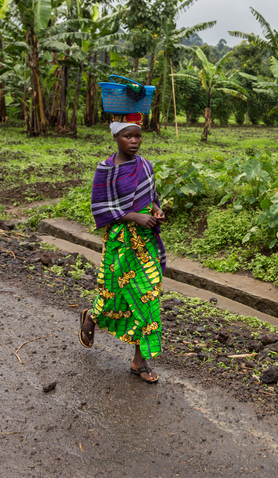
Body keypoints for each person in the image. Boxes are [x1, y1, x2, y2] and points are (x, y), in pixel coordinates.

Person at [79, 119, 166, 384]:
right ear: (116, 137)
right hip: (120, 241)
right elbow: (101, 207)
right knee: (115, 292)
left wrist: (155, 211)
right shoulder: (105, 170)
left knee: (149, 294)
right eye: (128, 136)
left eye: (138, 136)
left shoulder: (145, 165)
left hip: (145, 242)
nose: (134, 141)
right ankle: (91, 317)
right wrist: (132, 217)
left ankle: (139, 362)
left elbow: (150, 197)